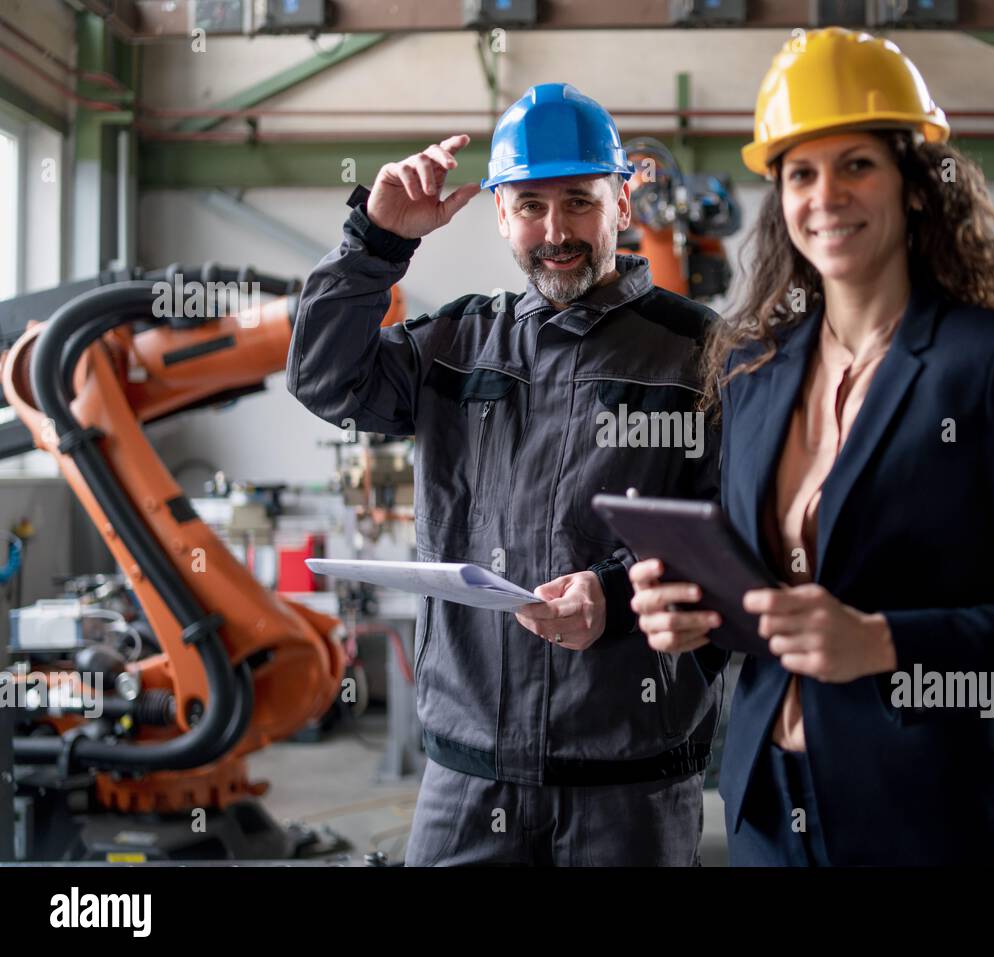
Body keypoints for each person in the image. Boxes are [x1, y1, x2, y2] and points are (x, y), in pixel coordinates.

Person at [629, 28, 994, 865]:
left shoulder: (992, 358)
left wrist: (886, 642)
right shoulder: (755, 368)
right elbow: (763, 597)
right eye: (801, 173)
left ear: (916, 185)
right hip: (762, 808)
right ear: (780, 196)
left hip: (923, 815)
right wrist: (691, 615)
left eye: (857, 163)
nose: (827, 195)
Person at [287, 82, 726, 866]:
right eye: (529, 205)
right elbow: (325, 377)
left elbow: (736, 532)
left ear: (622, 201)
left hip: (628, 787)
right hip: (468, 779)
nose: (555, 231)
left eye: (578, 202)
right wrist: (376, 240)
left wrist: (615, 595)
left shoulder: (700, 354)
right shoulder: (456, 341)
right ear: (499, 213)